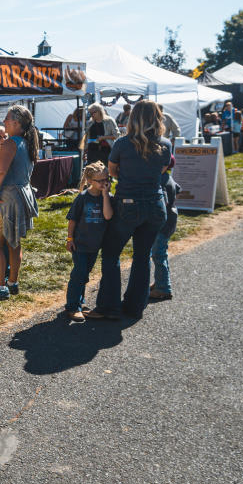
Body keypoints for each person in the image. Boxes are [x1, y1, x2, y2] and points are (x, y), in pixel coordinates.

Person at [87, 100, 171, 320]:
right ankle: (134, 307)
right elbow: (162, 170)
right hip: (155, 205)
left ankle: (109, 307)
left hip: (129, 204)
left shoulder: (123, 144)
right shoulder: (165, 144)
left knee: (112, 253)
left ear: (133, 118)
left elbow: (113, 171)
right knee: (142, 257)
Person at [0, 105, 40, 302]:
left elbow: (0, 172)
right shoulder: (27, 142)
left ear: (16, 123)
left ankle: (0, 286)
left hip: (6, 197)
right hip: (21, 194)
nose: (4, 121)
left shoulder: (10, 144)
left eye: (7, 119)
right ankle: (12, 282)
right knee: (14, 242)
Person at [64, 161, 114, 323]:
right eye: (100, 180)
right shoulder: (83, 198)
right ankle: (72, 307)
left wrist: (106, 195)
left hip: (95, 245)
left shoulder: (108, 197)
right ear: (90, 181)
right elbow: (72, 220)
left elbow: (108, 216)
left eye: (106, 179)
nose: (104, 183)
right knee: (79, 274)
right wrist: (69, 239)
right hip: (80, 244)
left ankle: (80, 302)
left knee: (84, 275)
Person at [148, 160, 181, 303]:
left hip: (162, 224)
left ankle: (163, 288)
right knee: (160, 253)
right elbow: (178, 190)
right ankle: (160, 281)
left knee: (158, 254)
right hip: (171, 221)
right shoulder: (168, 177)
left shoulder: (159, 181)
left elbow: (162, 203)